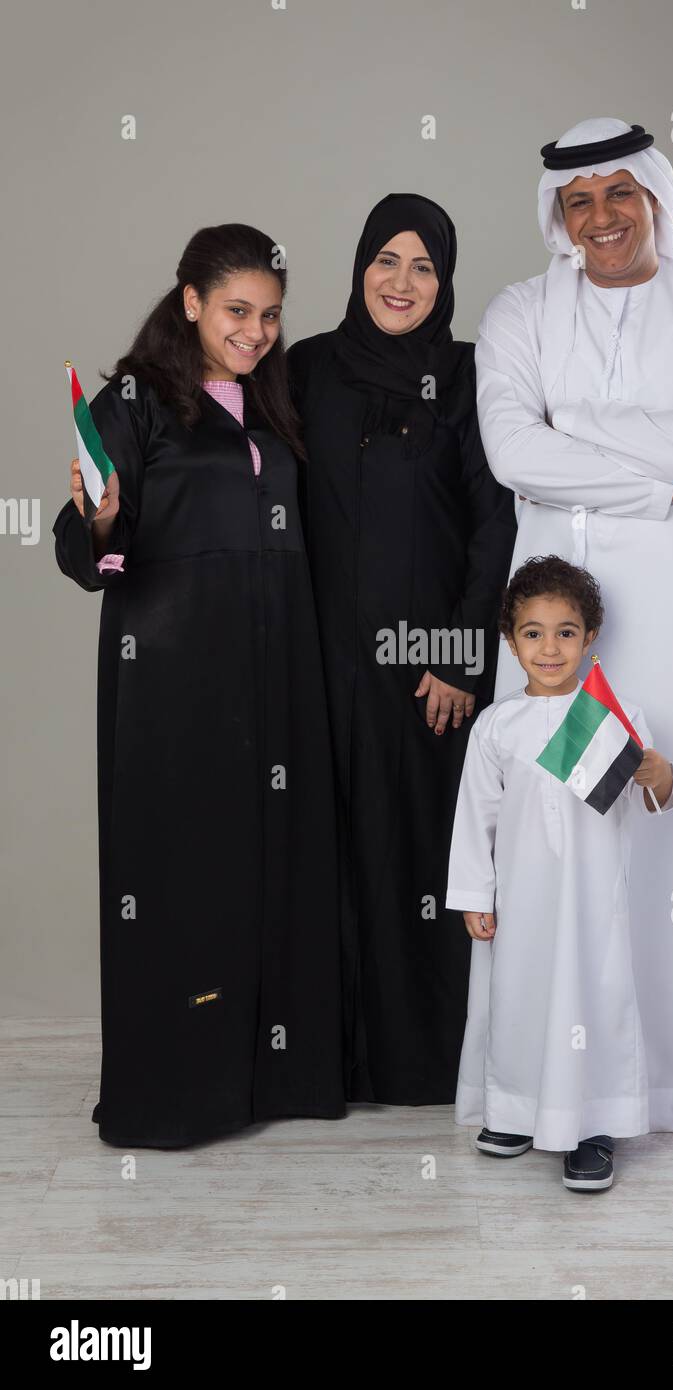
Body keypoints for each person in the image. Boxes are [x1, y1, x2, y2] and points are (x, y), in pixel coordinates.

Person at [474, 117, 673, 1143]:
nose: (603, 217)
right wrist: (667, 464)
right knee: (562, 822)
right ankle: (553, 1085)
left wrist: (572, 429)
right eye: (581, 201)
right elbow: (509, 452)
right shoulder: (519, 311)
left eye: (622, 194)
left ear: (657, 197)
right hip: (555, 629)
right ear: (558, 217)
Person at [54, 224, 346, 1148]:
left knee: (272, 862)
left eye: (268, 315)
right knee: (184, 878)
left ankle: (270, 1081)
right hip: (175, 679)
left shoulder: (274, 400)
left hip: (277, 671)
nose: (255, 331)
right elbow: (82, 551)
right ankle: (178, 1093)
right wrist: (97, 519)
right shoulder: (131, 404)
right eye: (235, 311)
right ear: (189, 301)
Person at [287, 194, 516, 1104]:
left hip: (429, 664)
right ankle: (326, 1063)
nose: (401, 281)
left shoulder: (466, 374)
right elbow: (223, 442)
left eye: (424, 266)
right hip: (320, 658)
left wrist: (462, 654)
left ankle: (426, 1064)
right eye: (386, 258)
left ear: (445, 280)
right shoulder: (307, 368)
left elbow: (496, 520)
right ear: (358, 267)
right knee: (326, 849)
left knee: (423, 852)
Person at [447, 556, 673, 1190]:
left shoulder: (610, 716)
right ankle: (518, 1112)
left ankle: (591, 1126)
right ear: (511, 639)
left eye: (566, 631)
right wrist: (474, 894)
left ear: (590, 636)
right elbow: (476, 819)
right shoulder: (498, 725)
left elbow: (654, 798)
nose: (550, 648)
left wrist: (658, 776)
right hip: (522, 901)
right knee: (517, 1003)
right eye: (533, 632)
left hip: (593, 901)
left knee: (594, 1002)